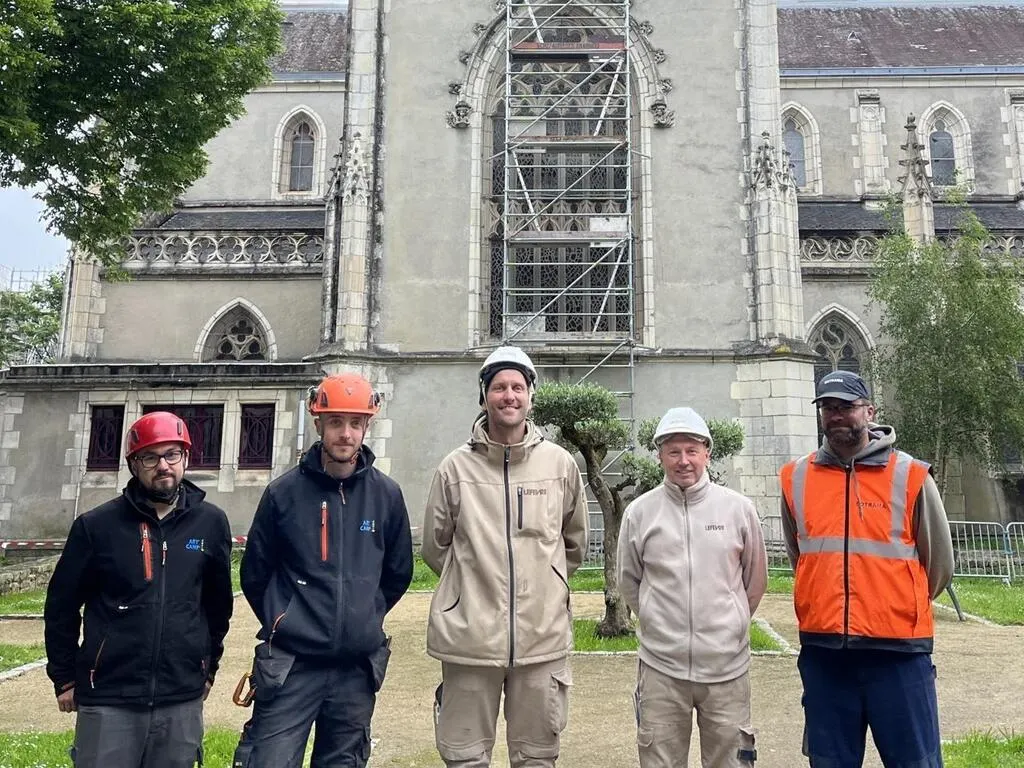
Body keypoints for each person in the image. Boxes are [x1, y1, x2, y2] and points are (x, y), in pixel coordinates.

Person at [422, 345, 589, 768]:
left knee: (537, 756)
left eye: (518, 387)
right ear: (484, 396)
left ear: (531, 396)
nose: (509, 396)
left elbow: (574, 543)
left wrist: (546, 584)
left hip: (541, 639)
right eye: (499, 387)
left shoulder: (560, 465)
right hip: (469, 641)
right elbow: (435, 547)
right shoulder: (455, 469)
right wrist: (467, 591)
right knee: (465, 757)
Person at [236, 373, 413, 767]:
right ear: (318, 423)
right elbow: (255, 575)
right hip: (291, 666)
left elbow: (398, 573)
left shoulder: (386, 496)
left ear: (367, 425)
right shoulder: (283, 494)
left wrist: (362, 615)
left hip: (355, 671)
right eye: (335, 422)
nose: (345, 434)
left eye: (355, 423)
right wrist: (285, 618)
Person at [779, 370, 955, 768]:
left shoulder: (910, 475)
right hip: (824, 654)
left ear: (870, 412)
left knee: (915, 761)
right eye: (828, 407)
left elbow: (940, 563)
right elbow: (800, 555)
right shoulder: (796, 477)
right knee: (829, 761)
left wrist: (895, 602)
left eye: (846, 406)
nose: (836, 415)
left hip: (898, 653)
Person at [44, 411, 234, 768]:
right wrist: (64, 677)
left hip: (180, 698)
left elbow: (217, 605)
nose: (163, 466)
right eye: (150, 457)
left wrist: (208, 669)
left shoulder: (211, 523)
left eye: (172, 454)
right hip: (109, 697)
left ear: (186, 458)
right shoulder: (96, 527)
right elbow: (61, 607)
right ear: (133, 464)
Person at [617, 406, 767, 768]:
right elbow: (629, 581)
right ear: (660, 456)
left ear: (707, 453)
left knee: (730, 762)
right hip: (661, 669)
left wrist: (731, 622)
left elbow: (755, 580)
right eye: (673, 452)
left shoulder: (738, 510)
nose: (683, 461)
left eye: (692, 451)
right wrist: (656, 619)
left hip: (726, 669)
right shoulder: (640, 513)